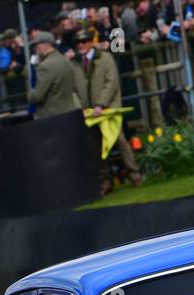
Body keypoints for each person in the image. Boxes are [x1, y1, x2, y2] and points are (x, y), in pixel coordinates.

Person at [74, 27, 144, 188]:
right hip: (88, 113)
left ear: (91, 42)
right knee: (95, 145)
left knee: (119, 140)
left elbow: (112, 83)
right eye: (78, 42)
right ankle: (105, 181)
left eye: (84, 41)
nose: (81, 45)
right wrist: (81, 109)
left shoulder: (105, 58)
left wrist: (101, 104)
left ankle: (135, 174)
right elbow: (72, 90)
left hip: (108, 109)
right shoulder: (75, 64)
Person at [29, 31, 84, 118]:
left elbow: (37, 96)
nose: (35, 49)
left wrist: (29, 95)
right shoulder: (66, 61)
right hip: (71, 112)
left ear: (44, 45)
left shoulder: (45, 66)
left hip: (53, 117)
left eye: (36, 46)